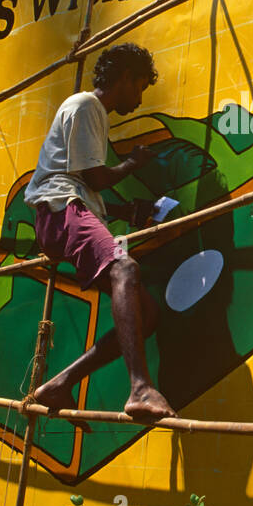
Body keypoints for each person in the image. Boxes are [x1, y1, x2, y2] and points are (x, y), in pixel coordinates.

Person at [26, 42, 176, 423]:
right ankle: (140, 388)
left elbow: (87, 183)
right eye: (139, 85)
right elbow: (93, 178)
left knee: (146, 313)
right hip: (61, 209)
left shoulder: (93, 115)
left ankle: (61, 382)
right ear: (123, 78)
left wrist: (128, 210)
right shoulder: (85, 106)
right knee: (124, 270)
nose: (140, 97)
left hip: (70, 209)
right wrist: (132, 163)